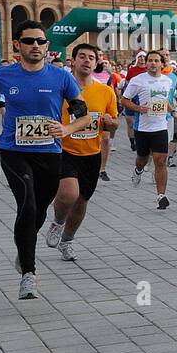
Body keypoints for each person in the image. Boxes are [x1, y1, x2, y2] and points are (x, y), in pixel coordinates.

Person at [0, 22, 90, 300]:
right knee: (27, 205)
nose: (35, 46)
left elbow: (83, 114)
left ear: (47, 46)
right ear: (17, 45)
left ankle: (24, 249)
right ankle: (29, 273)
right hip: (14, 151)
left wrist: (67, 129)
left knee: (38, 213)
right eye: (29, 41)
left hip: (50, 153)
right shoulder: (2, 75)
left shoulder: (61, 78)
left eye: (40, 41)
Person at [45, 44, 119, 262]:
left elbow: (114, 123)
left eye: (91, 58)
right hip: (64, 149)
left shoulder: (105, 91)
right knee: (69, 193)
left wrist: (110, 122)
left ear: (96, 63)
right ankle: (58, 222)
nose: (87, 61)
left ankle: (67, 240)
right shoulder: (60, 90)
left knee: (81, 202)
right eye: (82, 57)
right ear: (73, 61)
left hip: (91, 153)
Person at [119, 50, 175, 209]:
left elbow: (164, 101)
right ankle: (138, 170)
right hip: (142, 128)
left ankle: (161, 195)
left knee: (160, 160)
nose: (152, 63)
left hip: (160, 127)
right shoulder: (138, 80)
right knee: (142, 159)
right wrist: (138, 108)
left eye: (156, 60)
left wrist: (173, 111)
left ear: (162, 64)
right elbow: (124, 100)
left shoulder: (167, 81)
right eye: (150, 60)